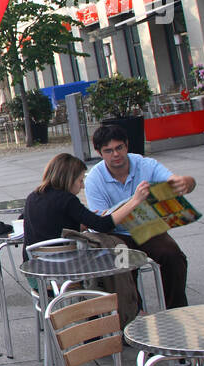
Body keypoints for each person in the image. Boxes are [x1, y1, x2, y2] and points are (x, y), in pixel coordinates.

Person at [84, 124, 196, 309]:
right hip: (115, 232)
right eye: (108, 151)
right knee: (122, 264)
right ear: (99, 152)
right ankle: (135, 315)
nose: (116, 154)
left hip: (145, 226)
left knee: (173, 256)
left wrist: (186, 182)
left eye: (119, 148)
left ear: (127, 145)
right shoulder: (94, 179)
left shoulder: (145, 164)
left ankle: (176, 310)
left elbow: (175, 180)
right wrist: (133, 202)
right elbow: (101, 223)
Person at [22, 152, 151, 249]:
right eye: (80, 180)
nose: (82, 186)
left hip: (35, 270)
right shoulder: (67, 200)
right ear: (69, 179)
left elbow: (49, 229)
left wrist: (83, 225)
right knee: (111, 249)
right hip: (61, 267)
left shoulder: (33, 196)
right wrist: (135, 201)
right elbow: (103, 225)